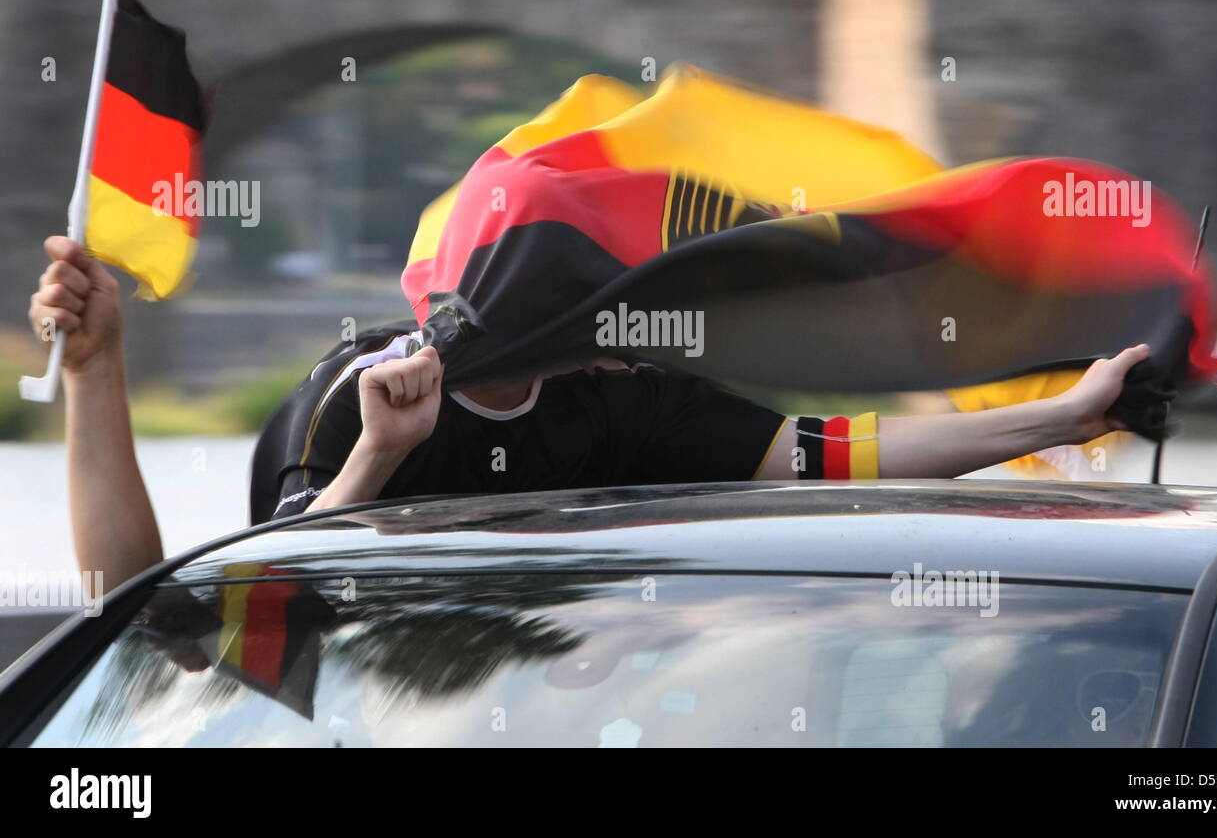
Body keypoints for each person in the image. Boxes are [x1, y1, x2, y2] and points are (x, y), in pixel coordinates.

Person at [30, 234, 1151, 589]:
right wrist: (379, 454)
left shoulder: (632, 393)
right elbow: (242, 600)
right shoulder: (362, 390)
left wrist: (1060, 419)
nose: (634, 346)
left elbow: (841, 450)